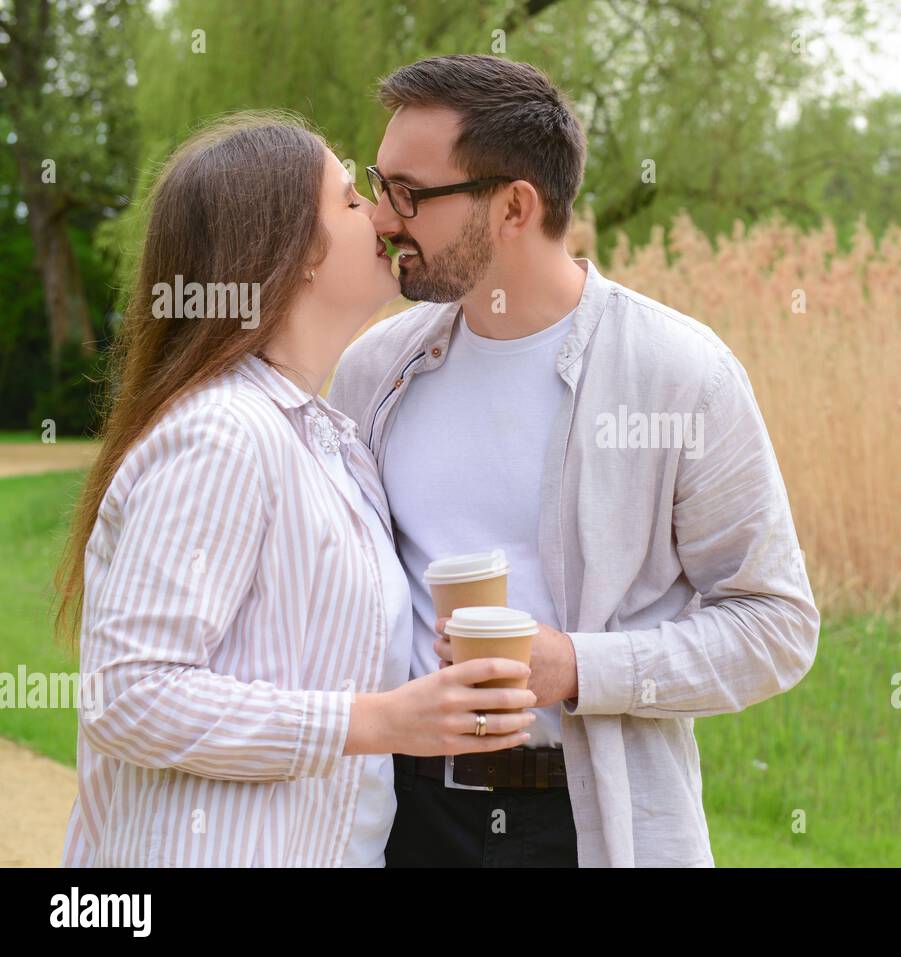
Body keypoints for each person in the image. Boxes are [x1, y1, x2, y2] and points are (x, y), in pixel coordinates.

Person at [328, 55, 820, 868]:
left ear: (514, 205)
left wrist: (579, 668)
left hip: (591, 824)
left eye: (408, 194)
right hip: (398, 817)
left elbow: (776, 626)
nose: (381, 218)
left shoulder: (679, 374)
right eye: (378, 185)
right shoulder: (373, 370)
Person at [54, 112, 535, 868]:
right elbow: (131, 694)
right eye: (349, 200)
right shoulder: (223, 435)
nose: (381, 215)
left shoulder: (326, 439)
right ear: (291, 252)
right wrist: (381, 720)